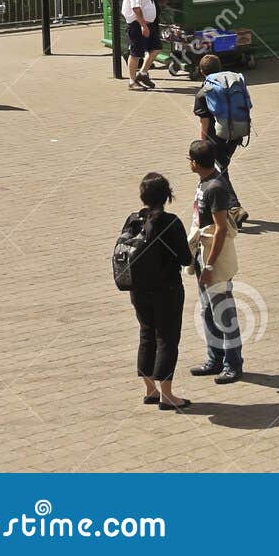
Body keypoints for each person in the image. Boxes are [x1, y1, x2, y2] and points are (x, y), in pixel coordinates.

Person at [123, 171, 194, 410]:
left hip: (138, 289)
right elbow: (185, 258)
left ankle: (150, 390)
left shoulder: (133, 220)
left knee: (147, 334)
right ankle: (167, 395)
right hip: (167, 290)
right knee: (167, 338)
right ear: (167, 196)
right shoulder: (170, 222)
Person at [188, 140, 242, 384]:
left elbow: (220, 229)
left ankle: (233, 364)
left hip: (215, 259)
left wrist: (210, 266)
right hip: (203, 256)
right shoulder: (205, 182)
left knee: (224, 313)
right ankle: (215, 358)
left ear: (195, 163)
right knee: (208, 310)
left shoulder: (216, 187)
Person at [193, 54, 249, 229]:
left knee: (219, 171)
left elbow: (204, 123)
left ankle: (234, 208)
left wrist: (202, 145)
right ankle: (227, 208)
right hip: (234, 136)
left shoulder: (203, 93)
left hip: (215, 140)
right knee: (221, 169)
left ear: (202, 71)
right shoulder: (230, 85)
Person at [121, 0, 161, 90]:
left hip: (148, 24)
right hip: (137, 25)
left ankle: (143, 73)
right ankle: (132, 81)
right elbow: (136, 8)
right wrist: (143, 25)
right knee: (136, 53)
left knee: (156, 48)